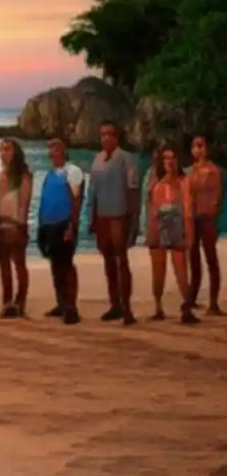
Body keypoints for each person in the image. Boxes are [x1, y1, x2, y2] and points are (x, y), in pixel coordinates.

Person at [89, 121, 139, 325]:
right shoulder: (97, 160)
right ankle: (114, 304)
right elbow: (93, 193)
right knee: (108, 261)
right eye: (102, 134)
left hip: (119, 215)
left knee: (121, 261)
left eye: (110, 134)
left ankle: (126, 307)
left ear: (117, 137)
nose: (105, 138)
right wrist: (91, 219)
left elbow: (133, 190)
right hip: (102, 216)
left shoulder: (126, 159)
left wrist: (133, 220)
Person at [146, 143, 198, 324]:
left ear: (177, 160)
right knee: (158, 268)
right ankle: (158, 307)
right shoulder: (156, 182)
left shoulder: (184, 181)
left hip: (176, 221)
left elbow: (188, 208)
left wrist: (188, 232)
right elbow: (151, 208)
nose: (168, 161)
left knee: (181, 267)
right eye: (165, 158)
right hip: (159, 222)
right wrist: (150, 232)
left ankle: (187, 306)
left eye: (171, 158)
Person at [36, 138, 84, 325]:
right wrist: (40, 226)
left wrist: (72, 226)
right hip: (48, 225)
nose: (53, 153)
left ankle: (71, 307)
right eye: (50, 149)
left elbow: (76, 200)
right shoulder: (49, 174)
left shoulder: (72, 172)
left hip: (64, 224)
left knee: (66, 266)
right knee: (55, 266)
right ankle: (61, 304)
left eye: (56, 149)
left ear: (64, 151)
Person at [0, 139, 32, 319]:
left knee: (19, 265)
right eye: (1, 149)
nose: (3, 152)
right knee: (4, 267)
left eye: (7, 149)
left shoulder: (23, 176)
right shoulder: (2, 175)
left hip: (16, 226)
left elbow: (24, 205)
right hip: (1, 225)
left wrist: (21, 227)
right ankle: (7, 302)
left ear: (15, 152)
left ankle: (20, 302)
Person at [187, 134, 222, 315]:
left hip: (206, 216)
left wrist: (214, 217)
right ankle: (192, 298)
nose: (197, 150)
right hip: (193, 217)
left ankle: (214, 303)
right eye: (194, 146)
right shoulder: (190, 171)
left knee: (210, 258)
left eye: (200, 146)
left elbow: (217, 196)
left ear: (206, 148)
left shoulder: (212, 171)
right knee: (193, 259)